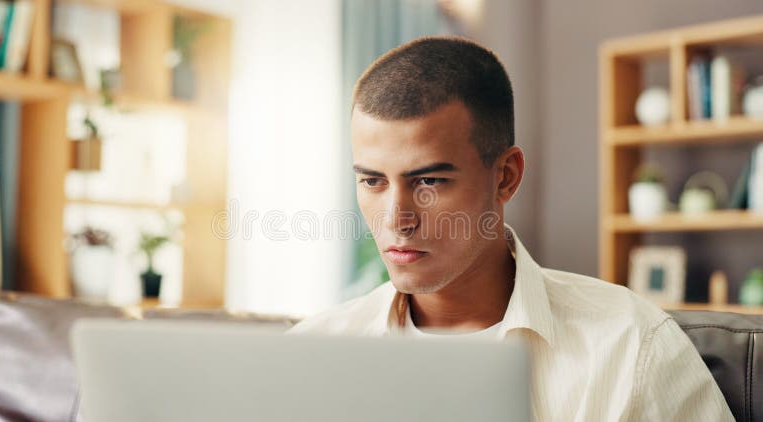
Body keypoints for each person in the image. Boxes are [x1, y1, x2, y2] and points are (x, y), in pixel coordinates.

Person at [289, 37, 732, 421]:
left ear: (505, 177)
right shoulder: (310, 354)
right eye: (372, 181)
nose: (395, 218)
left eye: (429, 181)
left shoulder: (632, 347)